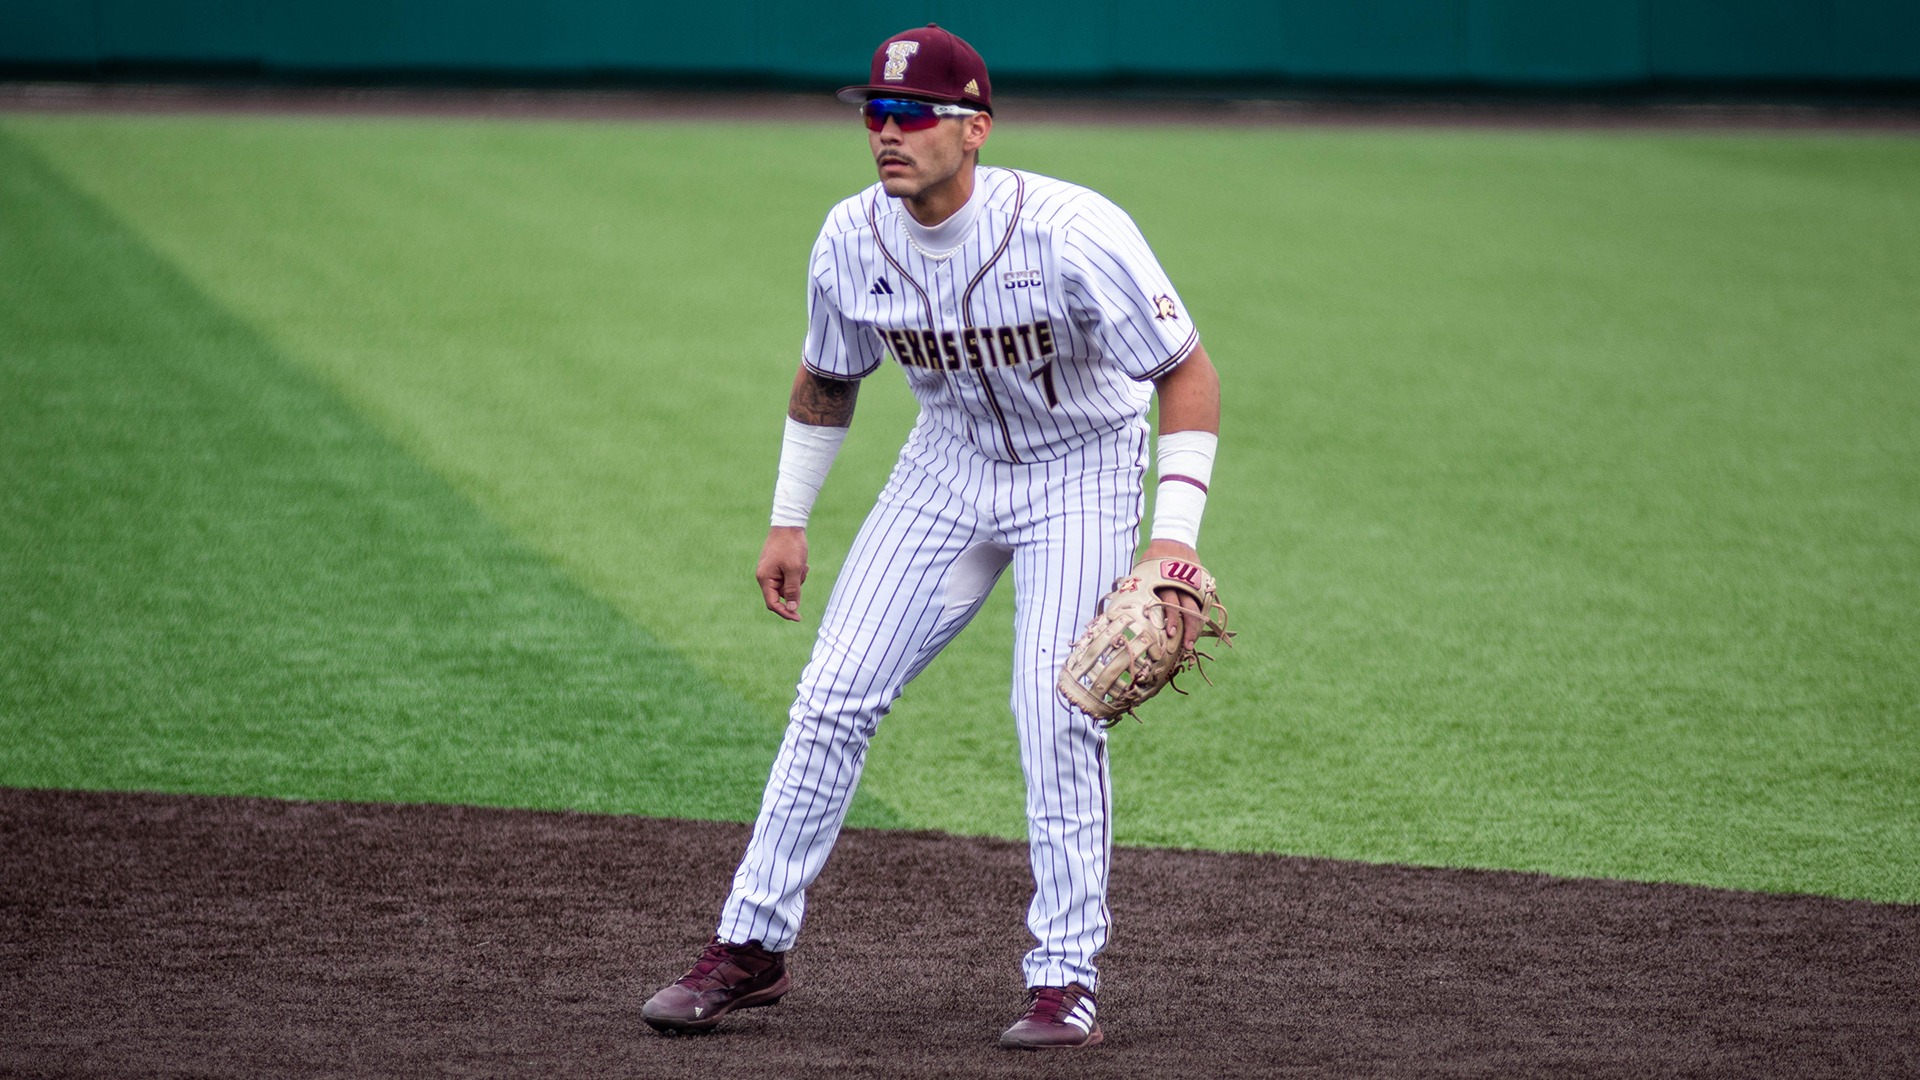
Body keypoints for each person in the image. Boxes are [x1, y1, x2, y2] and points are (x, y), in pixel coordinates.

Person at [642, 23, 1222, 1050]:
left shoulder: (1070, 231)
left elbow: (1186, 371)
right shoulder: (849, 237)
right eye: (876, 111)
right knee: (831, 697)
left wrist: (1170, 540)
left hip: (1081, 468)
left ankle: (1064, 978)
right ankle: (751, 944)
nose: (887, 131)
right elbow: (828, 377)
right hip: (946, 468)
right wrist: (788, 519)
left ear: (976, 128)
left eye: (912, 113)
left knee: (1057, 711)